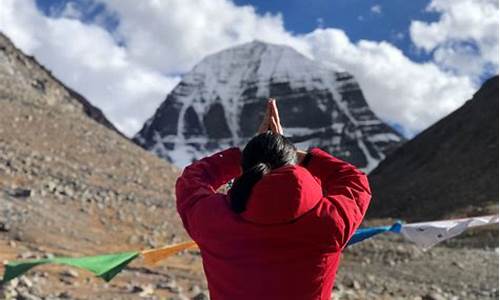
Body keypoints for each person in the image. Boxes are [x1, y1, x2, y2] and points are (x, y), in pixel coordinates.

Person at [176, 98, 372, 300]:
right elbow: (355, 181)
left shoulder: (212, 221)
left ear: (245, 170)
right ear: (294, 167)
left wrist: (245, 155)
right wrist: (302, 156)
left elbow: (191, 179)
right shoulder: (330, 223)